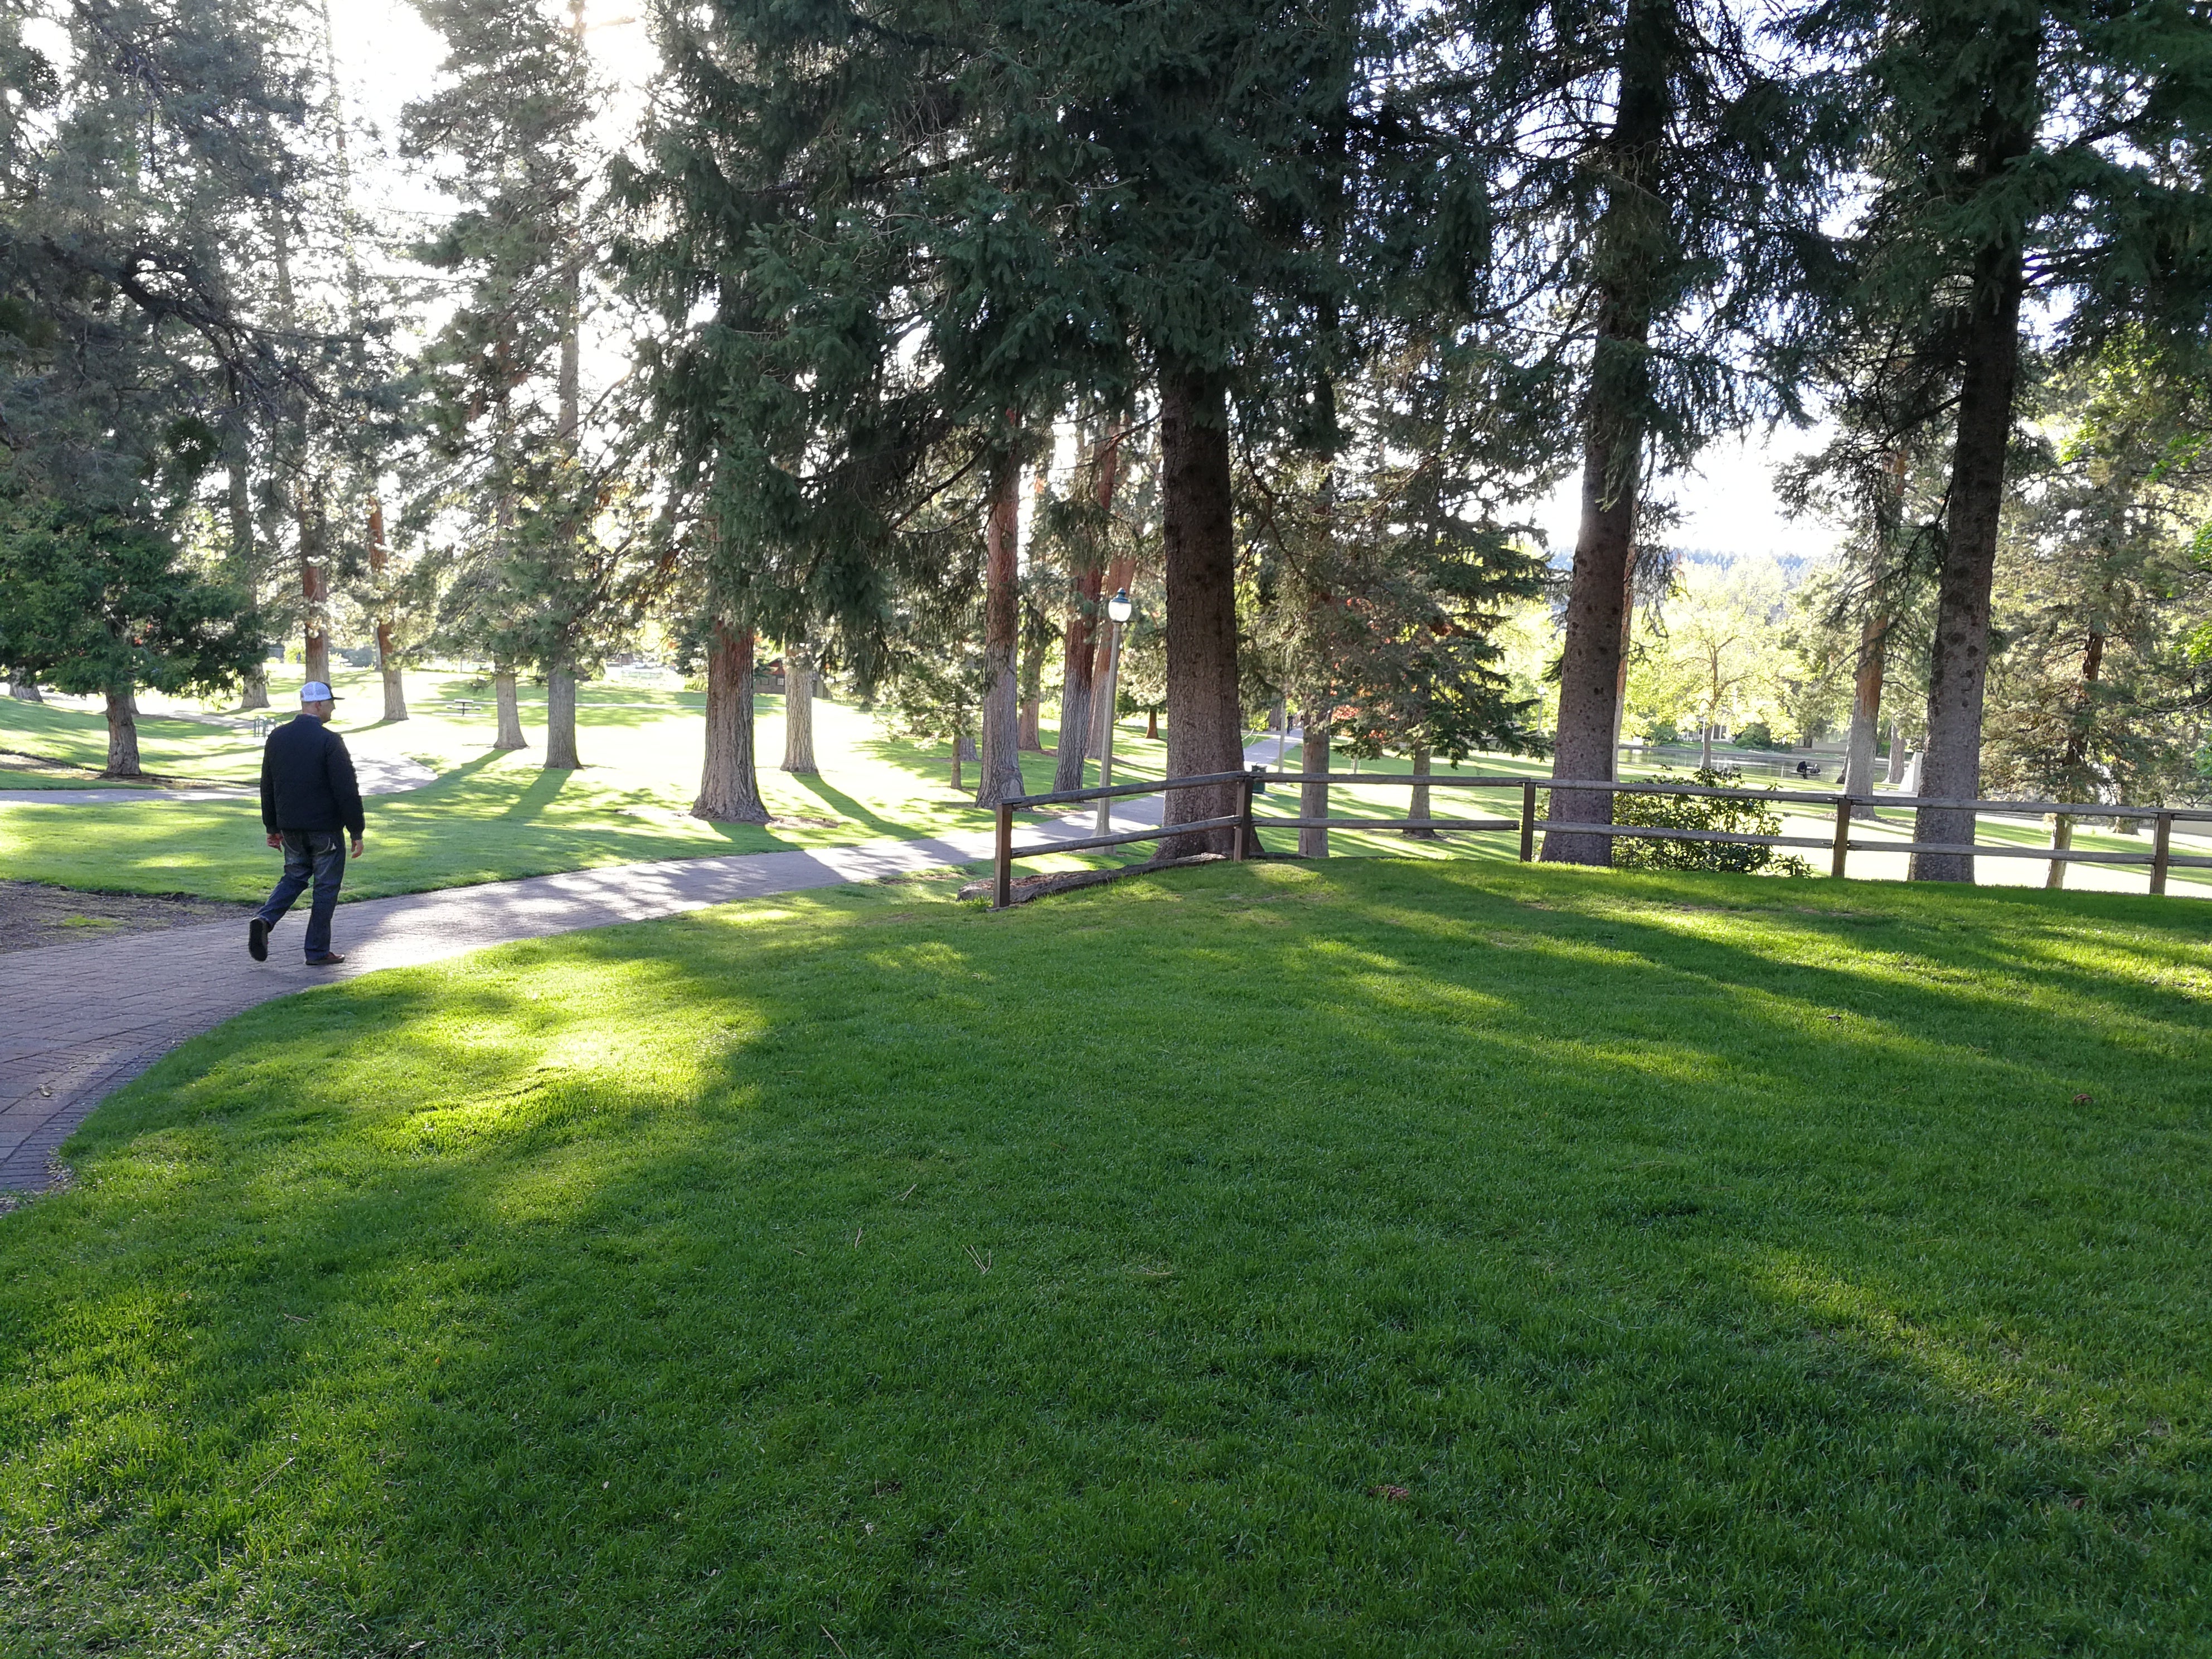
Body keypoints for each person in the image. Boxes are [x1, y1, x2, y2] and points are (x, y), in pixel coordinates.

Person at [248, 681, 365, 966]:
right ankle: (317, 951)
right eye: (331, 703)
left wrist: (271, 828)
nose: (333, 708)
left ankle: (265, 918)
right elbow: (346, 789)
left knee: (294, 876)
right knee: (325, 887)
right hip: (325, 830)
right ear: (318, 705)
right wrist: (356, 830)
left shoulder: (277, 737)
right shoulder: (329, 741)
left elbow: (267, 785)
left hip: (290, 828)